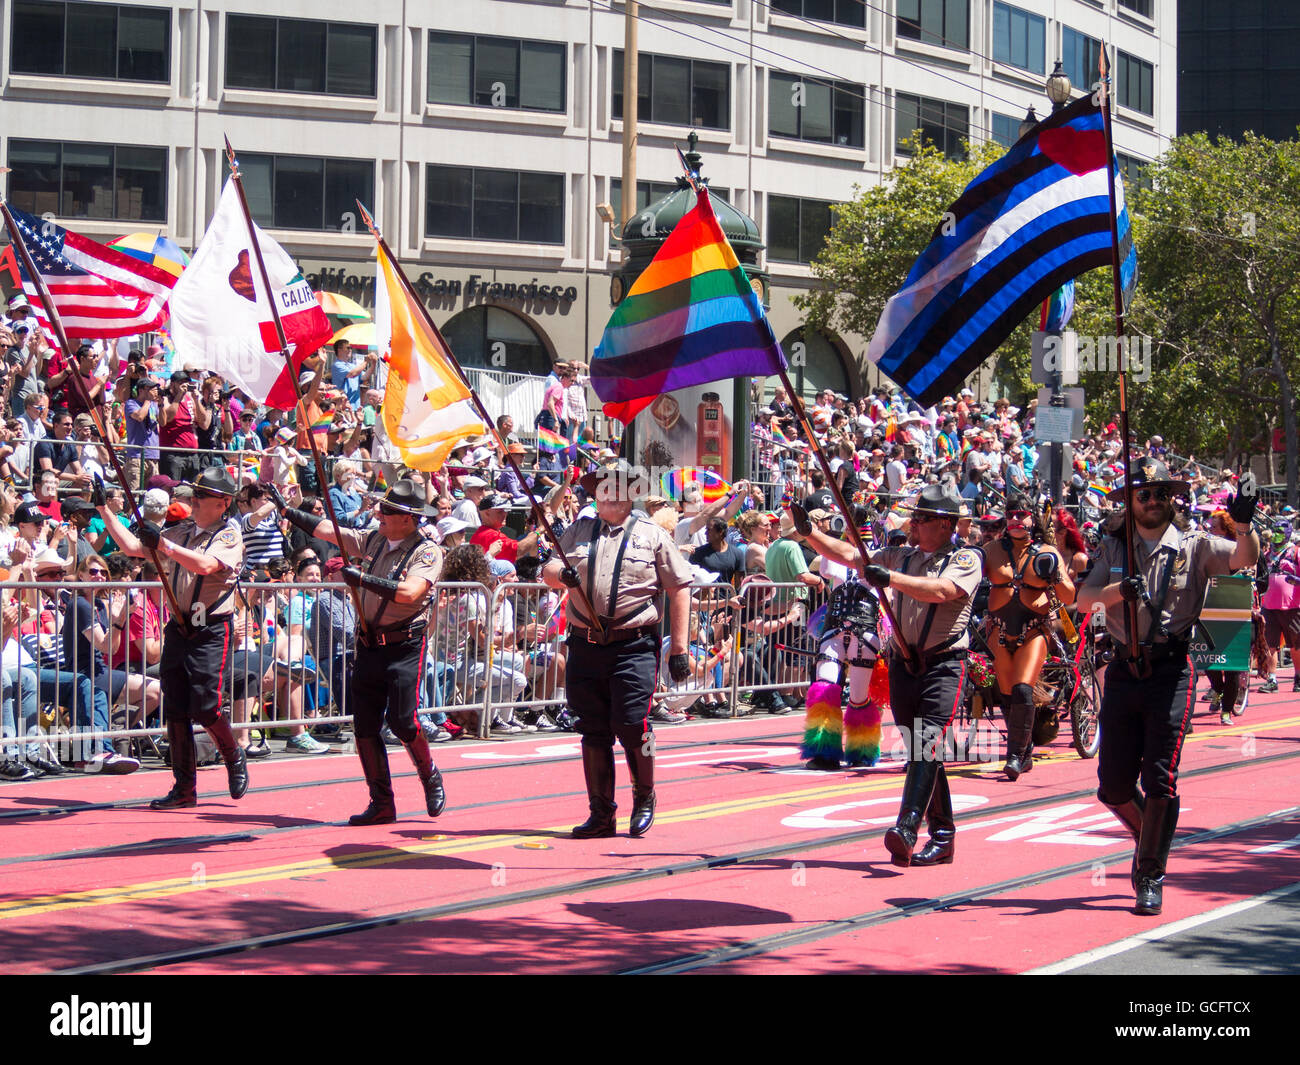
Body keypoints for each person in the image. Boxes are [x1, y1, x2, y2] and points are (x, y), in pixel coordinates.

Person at [1076, 460, 1259, 916]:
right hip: (1122, 671)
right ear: (1130, 503)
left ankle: (1150, 875)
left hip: (1171, 669)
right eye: (1144, 494)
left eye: (1161, 493)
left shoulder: (1195, 545)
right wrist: (1121, 590)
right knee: (1113, 787)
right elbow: (1082, 599)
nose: (1153, 501)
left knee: (1160, 778)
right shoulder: (1113, 546)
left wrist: (1245, 523)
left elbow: (1244, 558)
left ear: (1171, 499)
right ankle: (1149, 834)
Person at [792, 484, 981, 867]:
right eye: (915, 516)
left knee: (925, 745)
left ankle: (908, 826)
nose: (914, 523)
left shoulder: (966, 559)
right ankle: (943, 834)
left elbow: (941, 591)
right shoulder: (900, 556)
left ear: (946, 526)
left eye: (924, 519)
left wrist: (889, 579)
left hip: (944, 664)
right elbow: (849, 553)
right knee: (920, 749)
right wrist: (809, 533)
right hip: (904, 664)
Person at [275, 478, 446, 825]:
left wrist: (362, 580)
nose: (380, 513)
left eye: (389, 510)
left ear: (409, 519)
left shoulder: (427, 551)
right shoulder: (374, 539)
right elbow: (327, 530)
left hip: (404, 646)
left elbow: (411, 593)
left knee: (404, 721)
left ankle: (429, 773)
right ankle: (381, 801)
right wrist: (286, 510)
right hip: (367, 644)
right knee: (364, 726)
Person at [541, 460, 693, 839]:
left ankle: (644, 796)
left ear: (630, 493)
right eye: (603, 486)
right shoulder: (579, 530)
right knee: (591, 728)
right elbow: (546, 570)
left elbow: (680, 587)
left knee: (630, 722)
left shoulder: (653, 535)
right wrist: (562, 575)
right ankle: (601, 814)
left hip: (633, 645)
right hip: (584, 644)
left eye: (618, 486)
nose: (609, 493)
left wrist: (680, 648)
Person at [96, 466, 248, 808]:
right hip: (179, 628)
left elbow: (206, 566)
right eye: (193, 495)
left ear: (222, 503)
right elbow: (134, 547)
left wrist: (162, 542)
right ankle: (184, 788)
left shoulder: (228, 536)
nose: (193, 501)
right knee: (176, 709)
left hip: (211, 630)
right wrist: (103, 510)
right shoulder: (181, 531)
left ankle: (232, 752)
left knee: (205, 704)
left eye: (201, 496)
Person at [982, 492, 1075, 780]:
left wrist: (1054, 577)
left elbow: (1069, 596)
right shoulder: (990, 550)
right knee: (1007, 695)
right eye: (1010, 514)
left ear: (1032, 518)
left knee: (1023, 689)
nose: (1015, 519)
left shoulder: (1047, 552)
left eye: (1021, 514)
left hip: (1034, 630)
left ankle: (1014, 756)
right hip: (998, 629)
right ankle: (1024, 750)